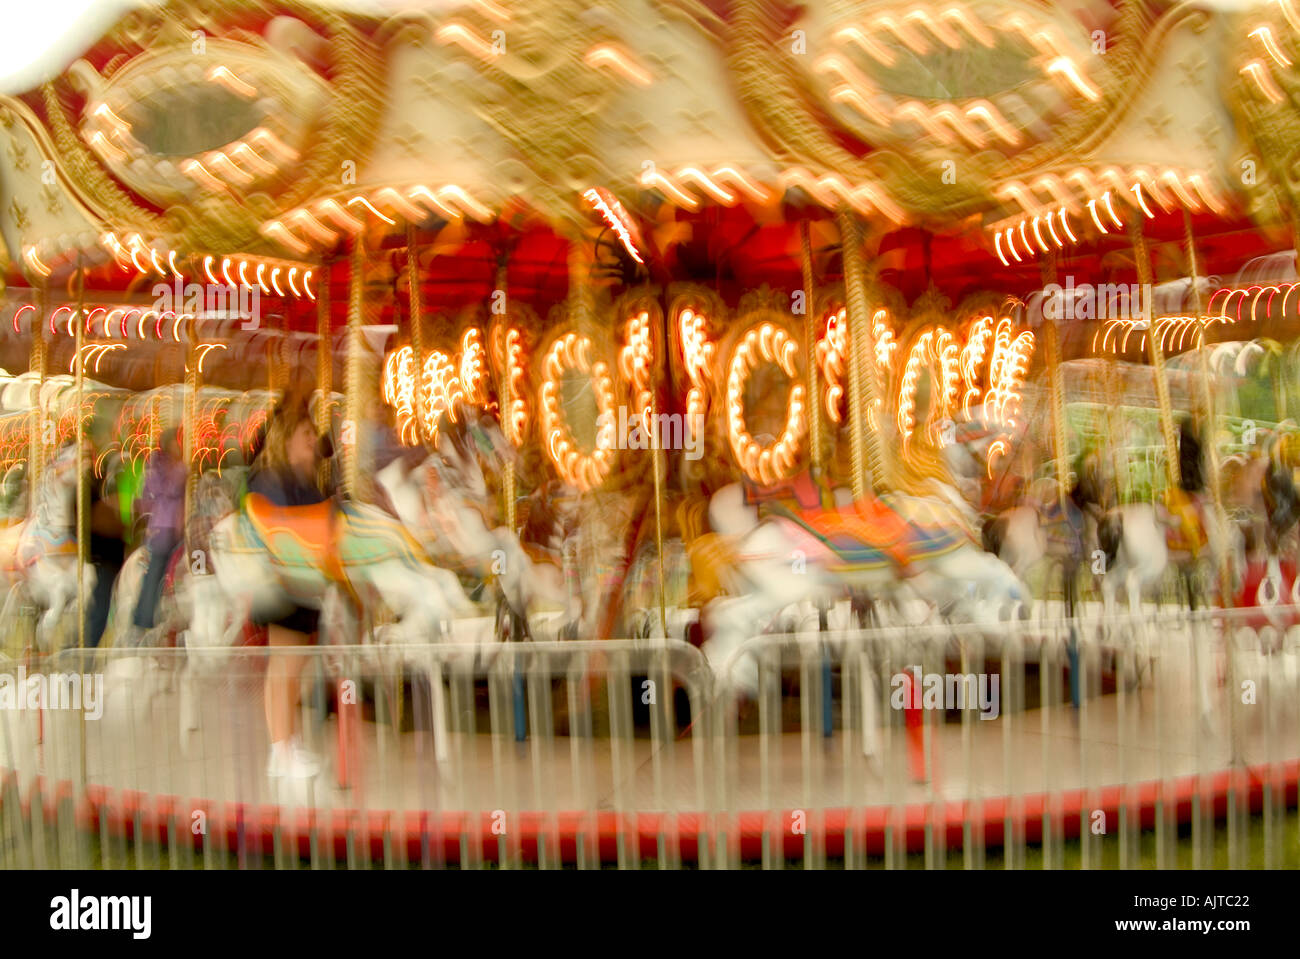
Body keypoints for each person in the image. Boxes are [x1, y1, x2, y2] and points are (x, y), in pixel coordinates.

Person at [247, 390, 334, 779]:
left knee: (295, 667)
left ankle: (287, 744)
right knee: (285, 666)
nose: (312, 442)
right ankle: (280, 748)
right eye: (305, 435)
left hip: (303, 582)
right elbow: (277, 528)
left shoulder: (307, 481)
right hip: (281, 580)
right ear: (287, 440)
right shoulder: (271, 478)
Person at [130, 428, 186, 638]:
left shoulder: (175, 465)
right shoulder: (157, 466)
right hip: (164, 524)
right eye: (177, 442)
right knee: (157, 566)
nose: (179, 446)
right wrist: (181, 471)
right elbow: (164, 491)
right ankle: (144, 619)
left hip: (181, 523)